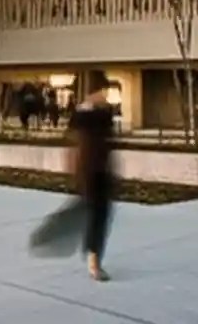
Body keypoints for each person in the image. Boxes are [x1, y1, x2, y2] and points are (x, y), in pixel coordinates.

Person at [71, 71, 116, 281]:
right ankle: (94, 261)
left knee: (101, 216)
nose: (105, 95)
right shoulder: (84, 116)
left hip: (103, 170)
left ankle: (93, 256)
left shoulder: (103, 113)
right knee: (96, 217)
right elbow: (77, 145)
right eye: (102, 91)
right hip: (90, 172)